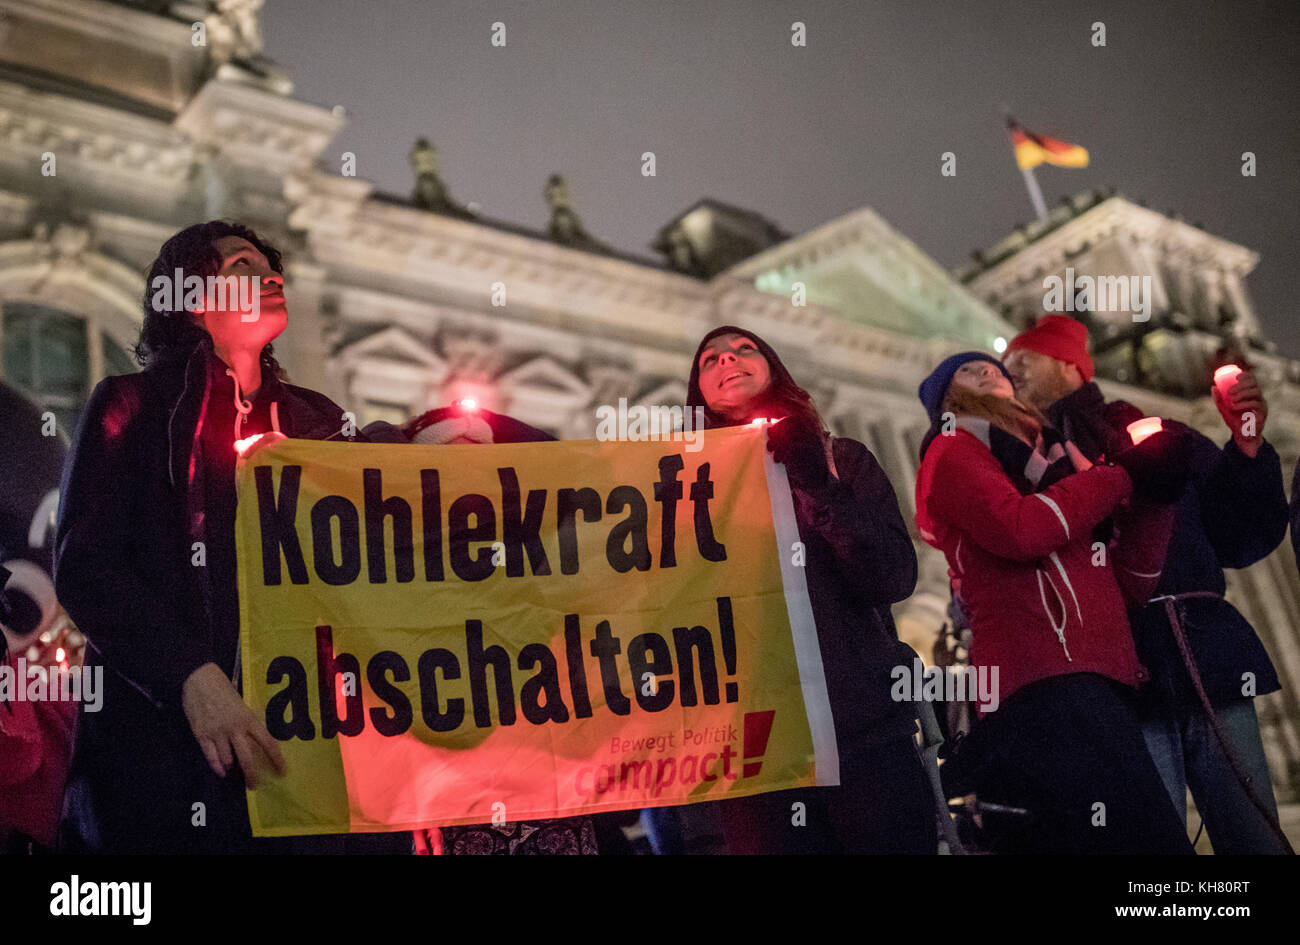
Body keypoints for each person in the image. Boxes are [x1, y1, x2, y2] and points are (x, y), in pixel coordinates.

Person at [54, 221, 409, 854]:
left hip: (312, 760)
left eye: (272, 268)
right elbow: (87, 566)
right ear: (191, 293)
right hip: (169, 760)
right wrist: (193, 676)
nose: (271, 276)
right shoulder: (130, 404)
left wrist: (440, 442)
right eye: (244, 265)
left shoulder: (317, 422)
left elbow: (384, 508)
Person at [1004, 314, 1291, 854]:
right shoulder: (1026, 462)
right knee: (1153, 851)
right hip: (1116, 683)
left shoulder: (1168, 433)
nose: (1009, 372)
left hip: (1206, 659)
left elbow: (1239, 538)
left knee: (1253, 837)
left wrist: (1247, 445)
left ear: (1068, 365)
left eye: (1022, 360)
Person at [915, 350, 1195, 854]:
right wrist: (1120, 477)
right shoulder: (951, 449)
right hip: (1040, 681)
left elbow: (1128, 582)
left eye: (994, 367)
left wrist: (1158, 498)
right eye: (965, 370)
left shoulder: (1061, 464)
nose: (988, 369)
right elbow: (1020, 531)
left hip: (1104, 677)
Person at [685, 325, 936, 854]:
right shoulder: (682, 489)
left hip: (861, 727)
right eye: (710, 359)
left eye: (744, 349)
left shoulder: (841, 459)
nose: (728, 359)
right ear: (698, 392)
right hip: (754, 751)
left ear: (774, 366)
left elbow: (890, 576)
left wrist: (816, 485)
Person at [385, 403, 601, 855]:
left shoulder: (525, 536)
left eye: (478, 460)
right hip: (452, 773)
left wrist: (481, 418)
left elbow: (569, 464)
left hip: (543, 761)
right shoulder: (400, 553)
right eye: (450, 459)